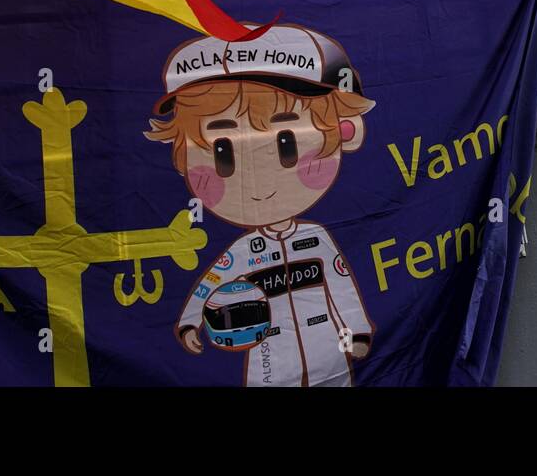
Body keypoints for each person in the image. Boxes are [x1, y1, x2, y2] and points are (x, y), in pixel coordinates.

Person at [148, 26, 375, 386]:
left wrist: (357, 332)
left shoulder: (316, 237)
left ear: (343, 133)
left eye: (287, 144)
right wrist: (191, 321)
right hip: (269, 360)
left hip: (328, 350)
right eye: (222, 152)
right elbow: (209, 285)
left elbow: (340, 285)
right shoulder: (243, 250)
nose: (261, 178)